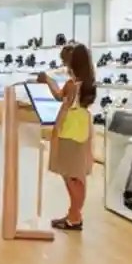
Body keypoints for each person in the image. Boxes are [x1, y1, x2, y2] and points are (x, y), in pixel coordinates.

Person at [42, 43, 96, 230]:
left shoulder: (73, 85)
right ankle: (74, 215)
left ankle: (75, 216)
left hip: (70, 129)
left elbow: (61, 99)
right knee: (77, 175)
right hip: (82, 128)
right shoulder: (87, 84)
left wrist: (48, 80)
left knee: (70, 175)